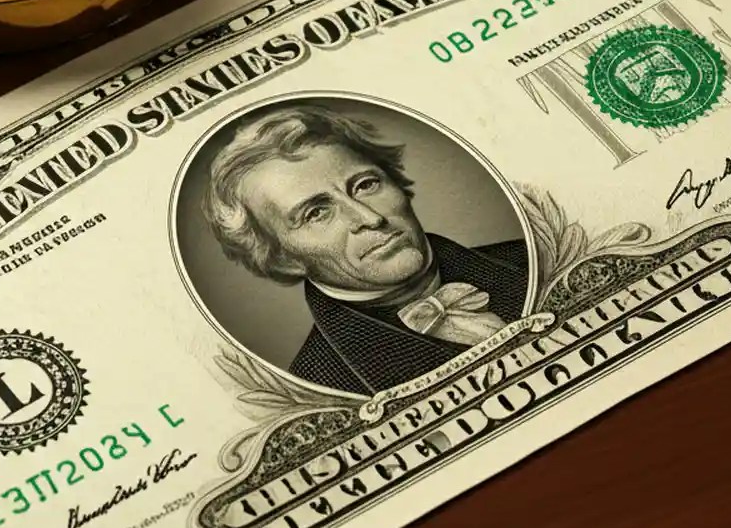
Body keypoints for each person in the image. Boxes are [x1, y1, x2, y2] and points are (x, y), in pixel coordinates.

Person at [202, 104, 530, 395]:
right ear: (284, 259)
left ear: (396, 182)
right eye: (316, 213)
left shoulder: (531, 258)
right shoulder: (321, 383)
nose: (370, 218)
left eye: (365, 185)